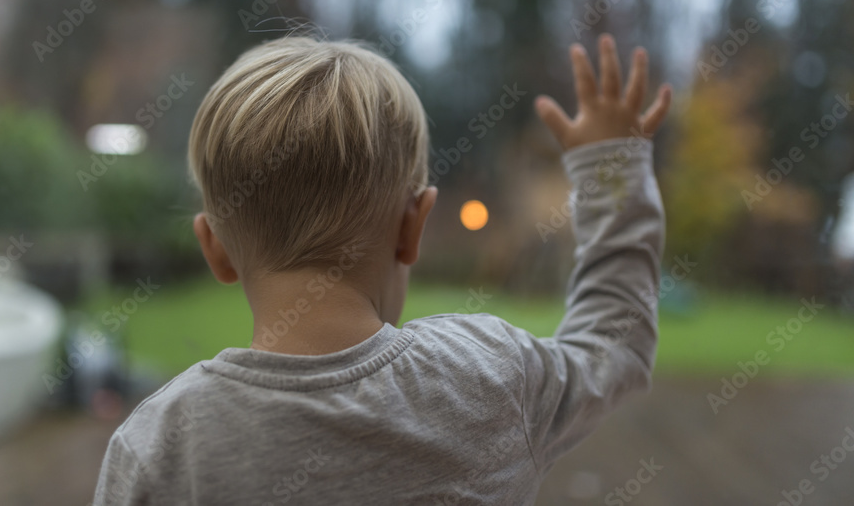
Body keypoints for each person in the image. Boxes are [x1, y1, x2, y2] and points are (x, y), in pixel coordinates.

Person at [92, 32, 673, 505]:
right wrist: (611, 170)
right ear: (413, 226)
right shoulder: (492, 377)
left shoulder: (161, 445)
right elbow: (612, 344)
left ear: (213, 248)